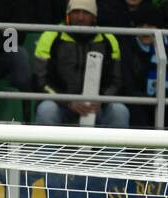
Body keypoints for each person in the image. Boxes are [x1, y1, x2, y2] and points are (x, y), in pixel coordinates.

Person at [33, 0, 130, 129]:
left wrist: (101, 100)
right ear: (68, 15)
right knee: (46, 109)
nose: (80, 17)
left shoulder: (109, 39)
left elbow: (117, 82)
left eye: (86, 13)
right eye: (75, 12)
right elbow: (40, 81)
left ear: (94, 17)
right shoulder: (50, 36)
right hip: (61, 105)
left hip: (97, 106)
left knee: (120, 111)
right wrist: (68, 101)